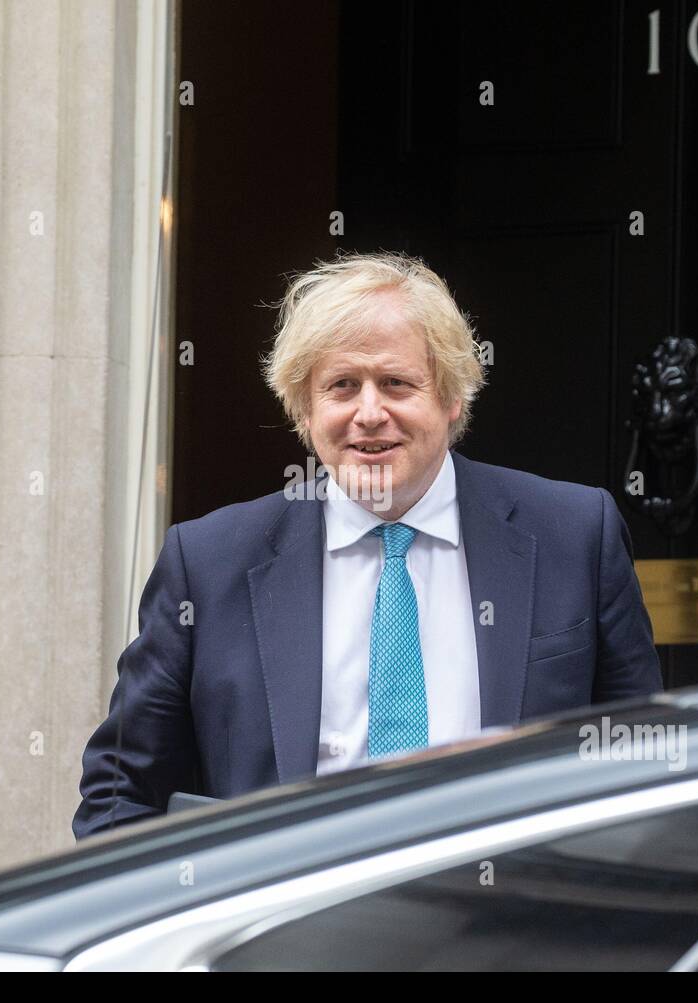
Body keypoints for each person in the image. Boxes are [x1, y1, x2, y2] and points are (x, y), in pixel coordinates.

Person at [73, 251, 662, 837]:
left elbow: (644, 760)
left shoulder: (574, 534)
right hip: (291, 922)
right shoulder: (207, 562)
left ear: (453, 398)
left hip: (510, 917)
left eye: (397, 384)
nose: (370, 413)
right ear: (304, 410)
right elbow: (121, 790)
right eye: (342, 386)